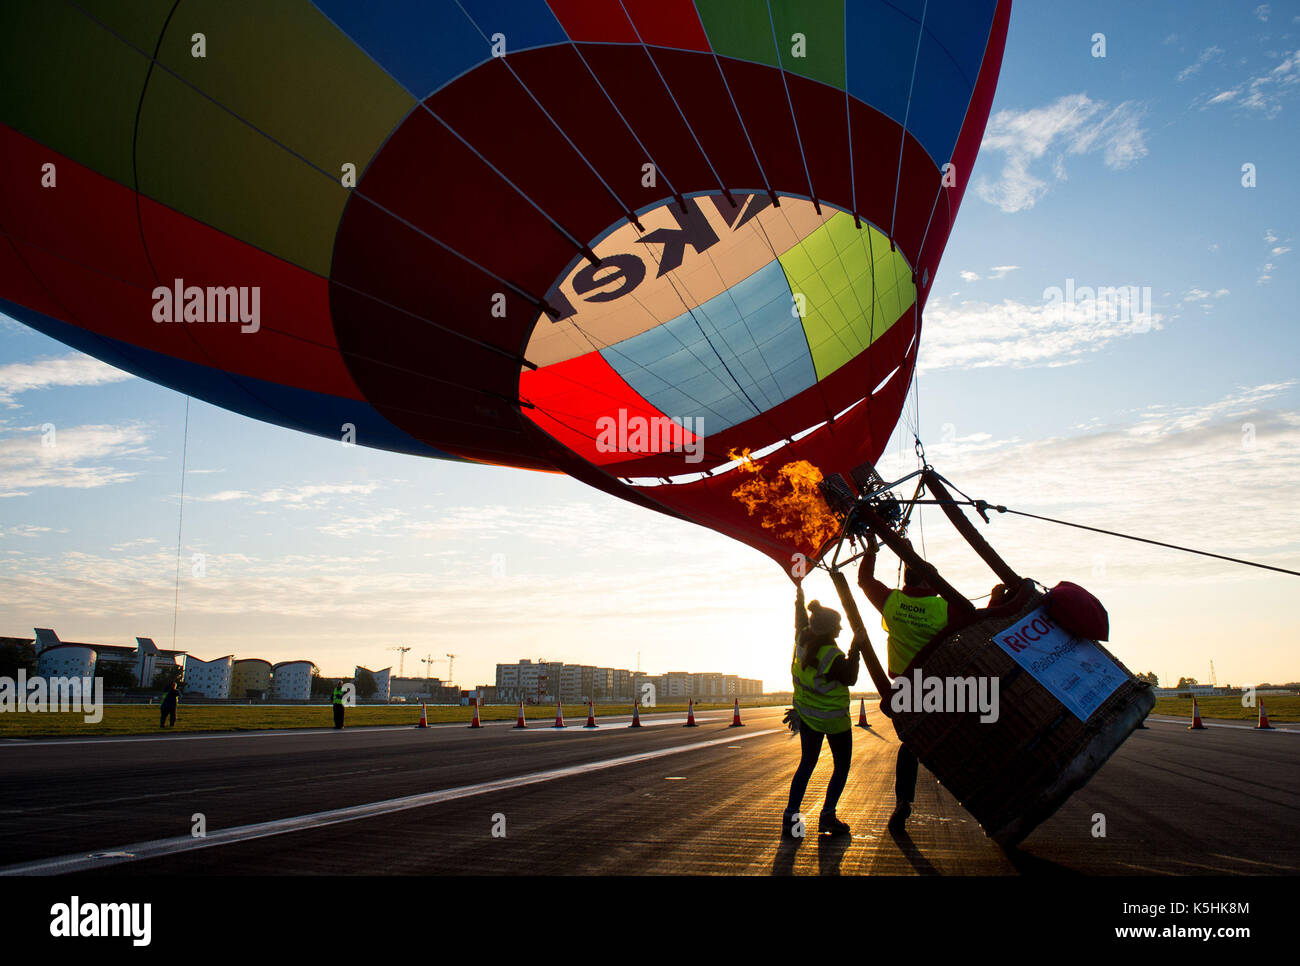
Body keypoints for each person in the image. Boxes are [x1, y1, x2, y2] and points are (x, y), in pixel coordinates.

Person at [857, 535, 949, 832]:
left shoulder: (893, 603)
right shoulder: (944, 608)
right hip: (942, 688)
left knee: (910, 745)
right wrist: (999, 599)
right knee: (955, 739)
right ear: (930, 583)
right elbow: (977, 621)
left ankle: (903, 801)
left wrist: (872, 549)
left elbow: (864, 579)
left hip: (906, 691)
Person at [783, 587, 865, 839]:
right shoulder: (833, 655)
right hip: (834, 721)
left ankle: (791, 818)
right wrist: (856, 648)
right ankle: (828, 815)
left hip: (807, 718)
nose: (840, 630)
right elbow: (850, 678)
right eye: (838, 626)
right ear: (829, 629)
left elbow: (800, 621)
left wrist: (800, 598)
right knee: (841, 767)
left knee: (806, 765)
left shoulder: (802, 641)